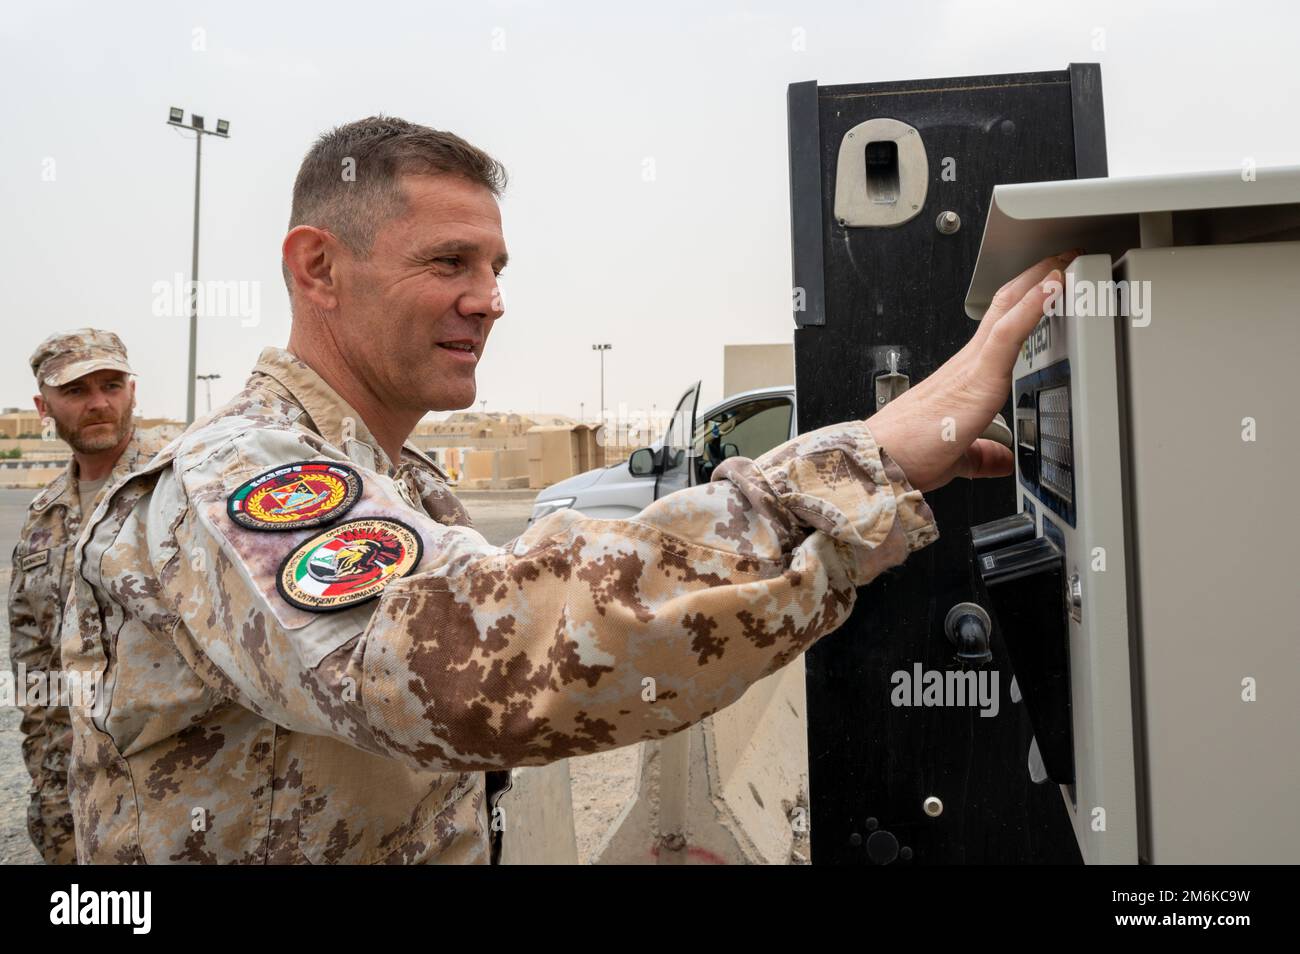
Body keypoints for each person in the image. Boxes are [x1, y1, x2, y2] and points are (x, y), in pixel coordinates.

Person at [65, 115, 1077, 864]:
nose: (490, 300)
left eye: (497, 265)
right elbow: (477, 663)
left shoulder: (392, 480)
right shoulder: (236, 476)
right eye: (449, 262)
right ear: (318, 268)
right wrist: (865, 462)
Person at [9, 329, 162, 864]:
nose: (98, 403)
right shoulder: (43, 518)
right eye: (76, 391)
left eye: (111, 385)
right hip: (75, 801)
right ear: (43, 407)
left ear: (132, 391)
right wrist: (51, 794)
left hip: (175, 797)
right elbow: (35, 668)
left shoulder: (181, 489)